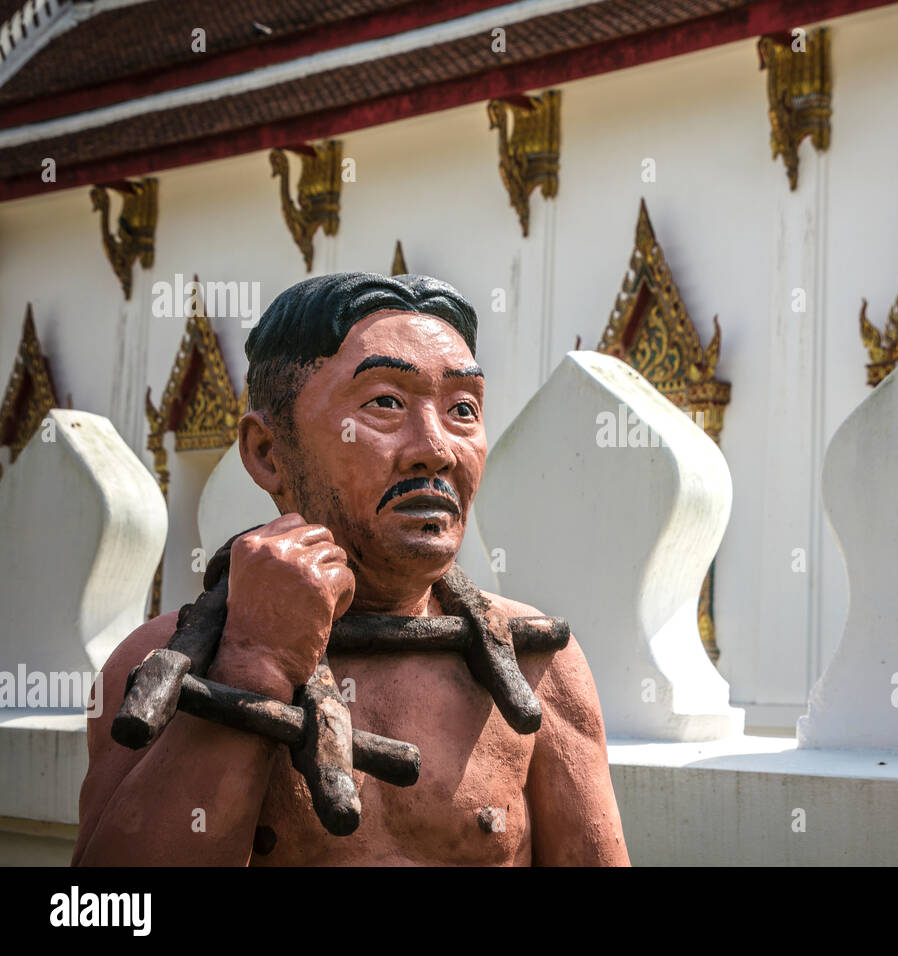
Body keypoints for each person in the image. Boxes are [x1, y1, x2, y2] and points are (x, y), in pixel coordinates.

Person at [74, 272, 630, 866]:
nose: (437, 449)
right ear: (268, 452)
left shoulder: (539, 665)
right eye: (385, 403)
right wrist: (255, 662)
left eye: (462, 409)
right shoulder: (156, 668)